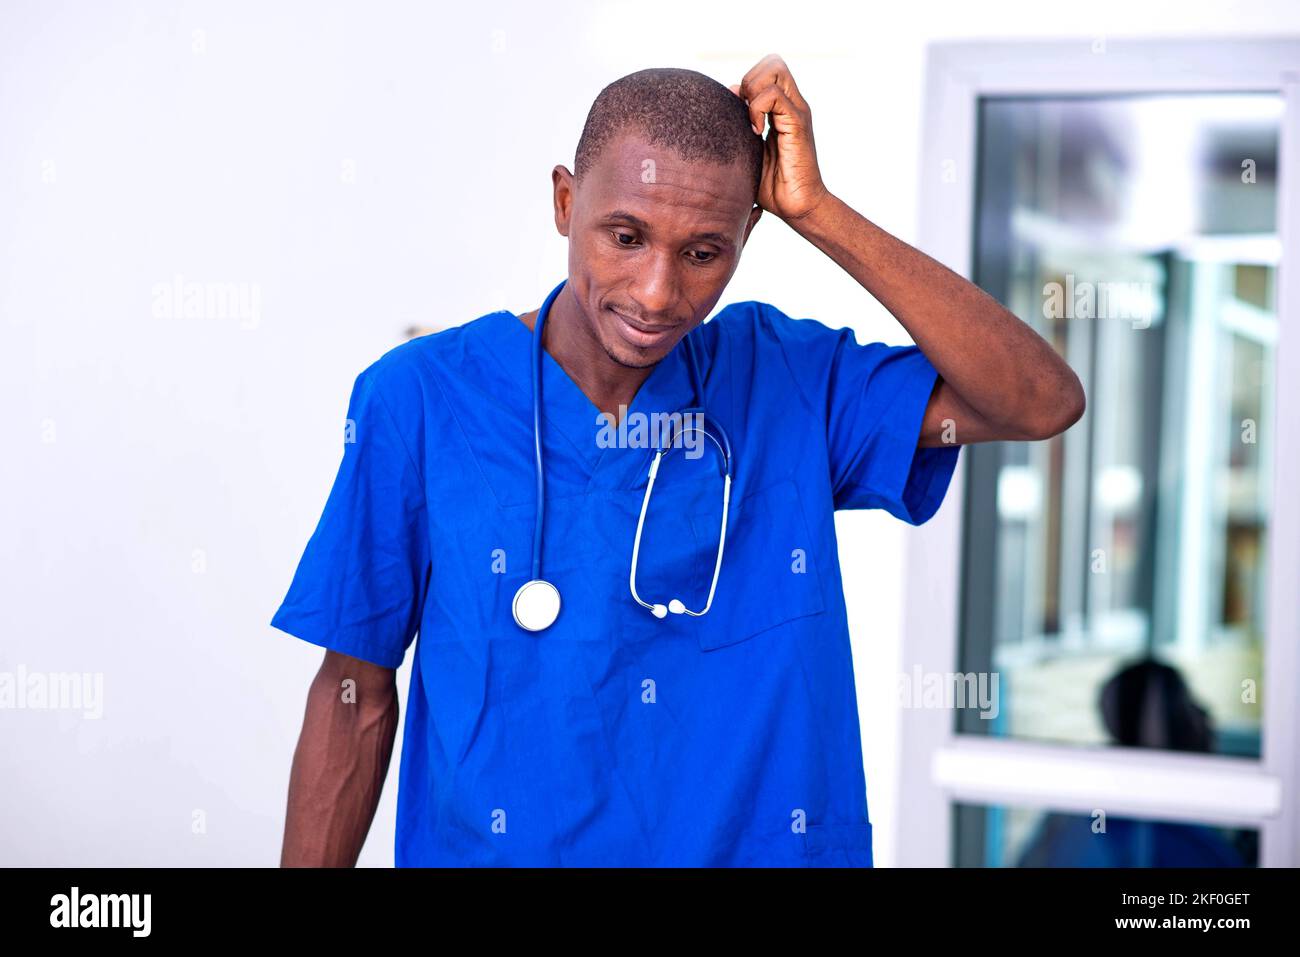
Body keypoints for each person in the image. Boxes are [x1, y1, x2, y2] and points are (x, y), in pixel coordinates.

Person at [271, 55, 1085, 867]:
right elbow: (355, 698)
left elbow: (1037, 401)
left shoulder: (791, 381)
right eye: (626, 238)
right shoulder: (419, 400)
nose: (658, 293)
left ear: (747, 236)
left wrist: (820, 212)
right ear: (564, 200)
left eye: (704, 252)